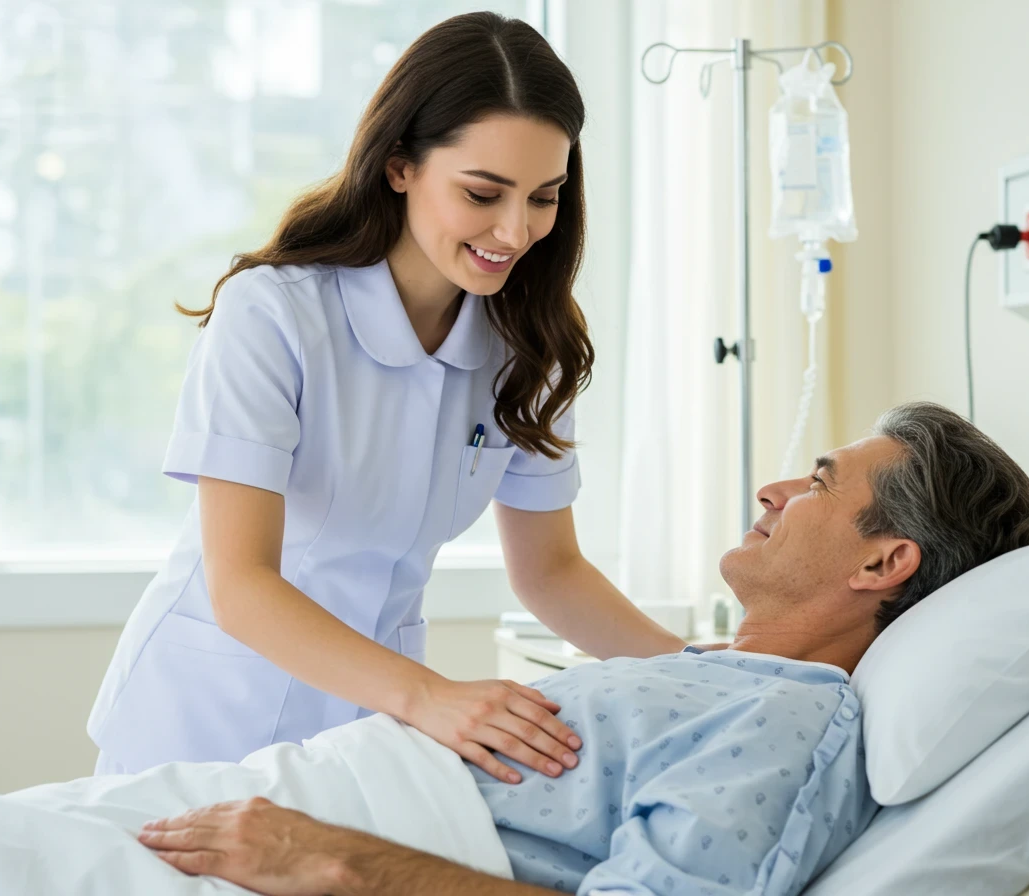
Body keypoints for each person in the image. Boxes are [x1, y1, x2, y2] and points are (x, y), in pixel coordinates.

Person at [88, 12, 689, 784]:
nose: (515, 230)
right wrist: (435, 700)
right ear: (400, 164)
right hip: (205, 717)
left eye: (545, 197)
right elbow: (241, 585)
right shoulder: (274, 314)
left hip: (364, 731)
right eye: (482, 192)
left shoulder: (528, 344)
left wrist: (708, 673)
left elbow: (552, 573)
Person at [134, 402, 1029, 895]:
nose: (772, 489)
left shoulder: (790, 723)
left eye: (816, 483)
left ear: (887, 561)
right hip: (251, 805)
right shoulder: (720, 681)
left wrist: (343, 866)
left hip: (291, 848)